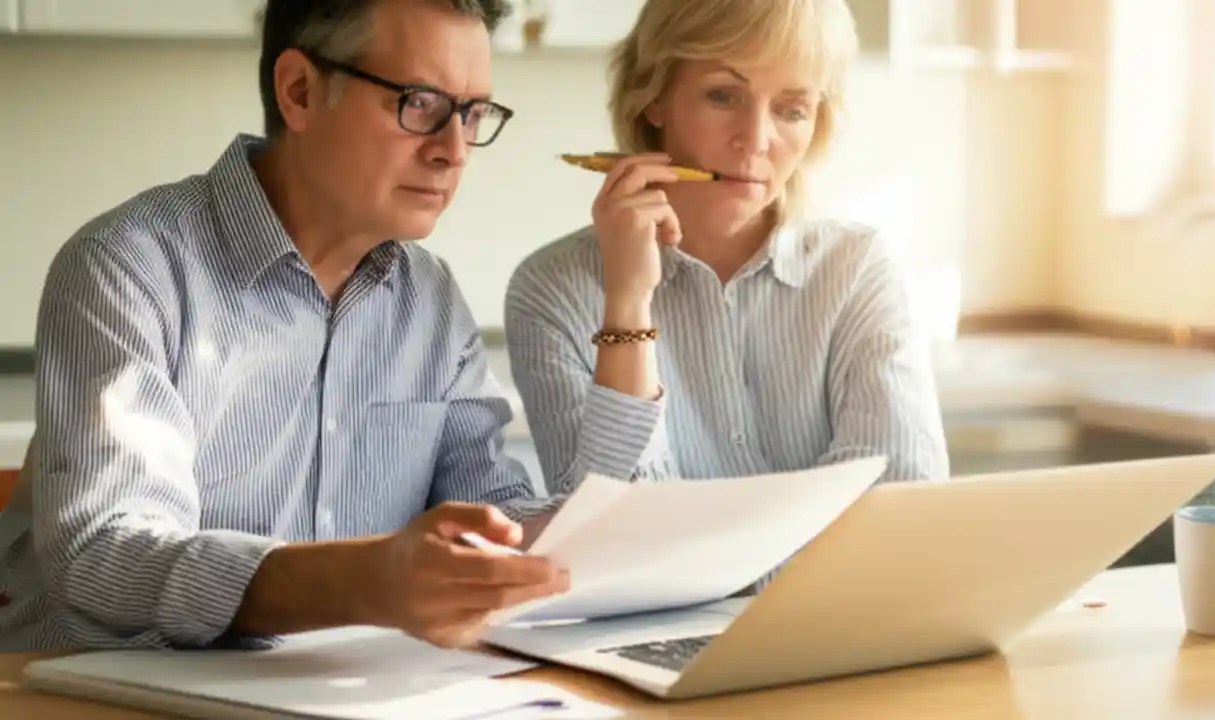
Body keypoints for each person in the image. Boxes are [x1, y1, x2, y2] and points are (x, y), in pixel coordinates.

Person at [0, 0, 567, 653]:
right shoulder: (128, 268)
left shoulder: (429, 298)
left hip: (330, 688)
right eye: (420, 103)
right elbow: (107, 554)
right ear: (299, 92)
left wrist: (604, 538)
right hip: (92, 691)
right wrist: (357, 582)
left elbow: (491, 509)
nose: (453, 151)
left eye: (470, 115)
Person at [505, 0, 949, 498]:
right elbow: (604, 528)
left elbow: (900, 503)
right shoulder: (552, 289)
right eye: (723, 95)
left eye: (792, 109)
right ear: (653, 95)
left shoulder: (857, 269)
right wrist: (627, 303)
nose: (756, 141)